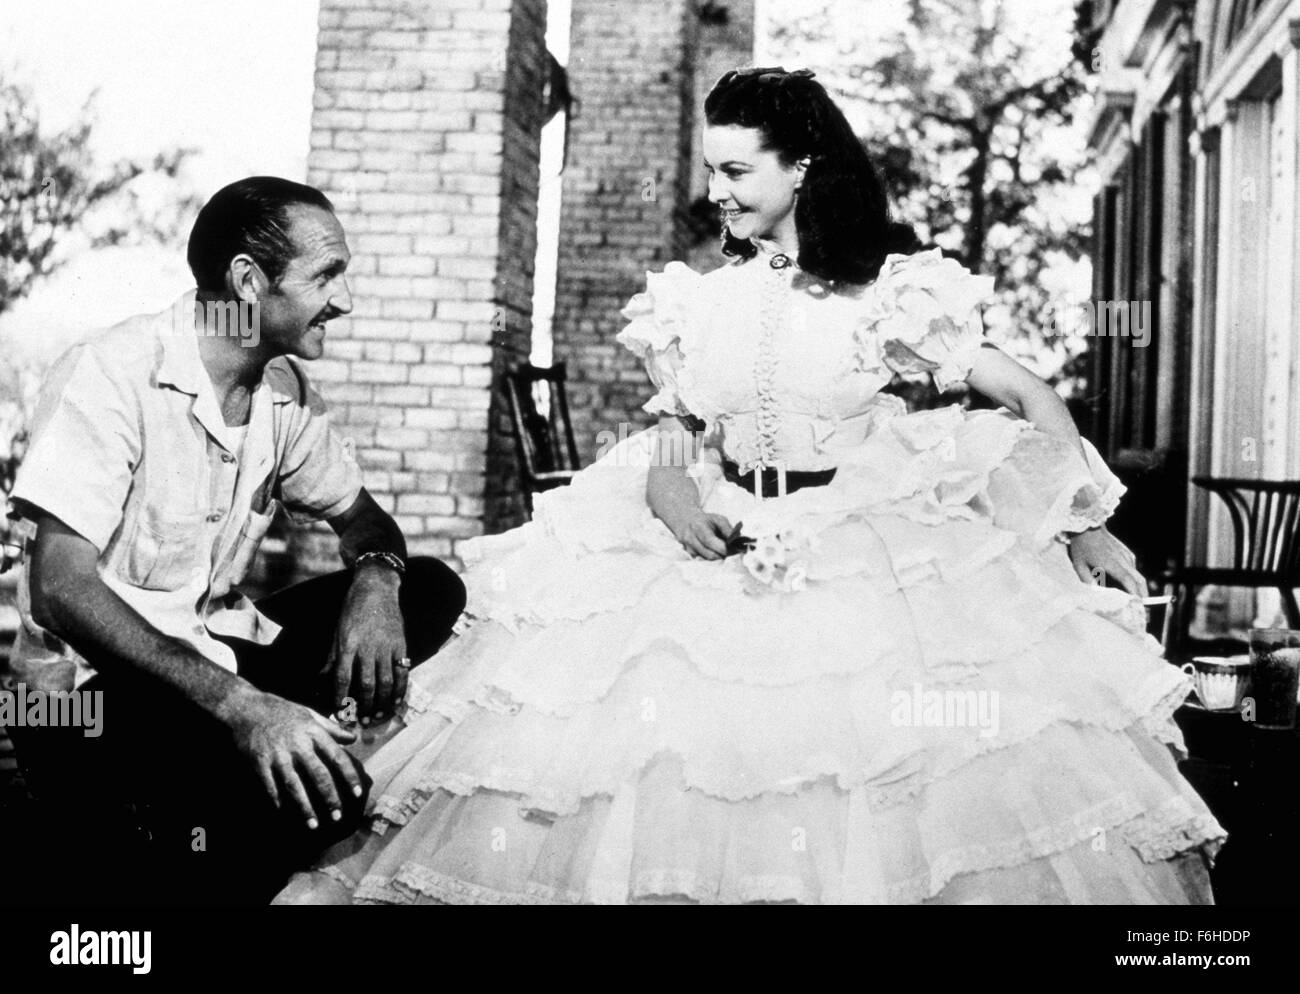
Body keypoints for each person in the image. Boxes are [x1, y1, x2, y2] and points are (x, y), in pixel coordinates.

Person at [276, 69, 1224, 905]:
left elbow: (1022, 393)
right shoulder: (698, 299)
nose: (715, 191)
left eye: (736, 171)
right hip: (712, 534)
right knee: (634, 759)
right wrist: (672, 493)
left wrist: (1085, 520)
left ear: (801, 167)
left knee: (856, 768)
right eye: (712, 170)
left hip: (854, 540)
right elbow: (675, 430)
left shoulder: (893, 293)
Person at [4, 177, 466, 904]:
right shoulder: (111, 371)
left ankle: (234, 795)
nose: (344, 301)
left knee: (432, 586)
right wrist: (245, 708)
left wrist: (376, 581)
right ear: (249, 282)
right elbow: (59, 590)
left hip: (219, 661)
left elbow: (365, 521)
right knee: (327, 804)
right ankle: (156, 832)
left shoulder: (284, 392)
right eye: (327, 277)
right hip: (87, 699)